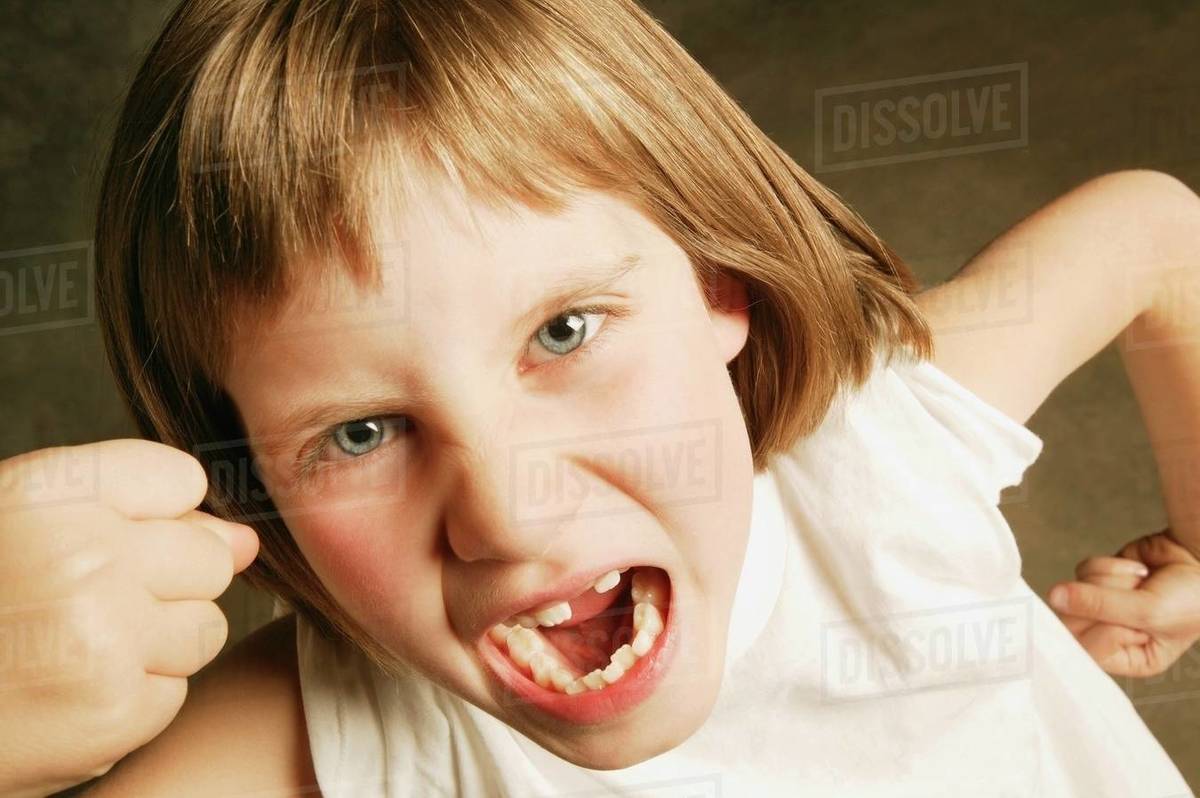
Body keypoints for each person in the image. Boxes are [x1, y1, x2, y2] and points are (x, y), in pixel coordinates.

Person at [2, 0, 1199, 794]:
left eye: (564, 332)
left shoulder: (888, 451)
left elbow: (1154, 234)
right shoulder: (304, 737)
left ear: (720, 278)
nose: (512, 519)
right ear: (249, 483)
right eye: (361, 432)